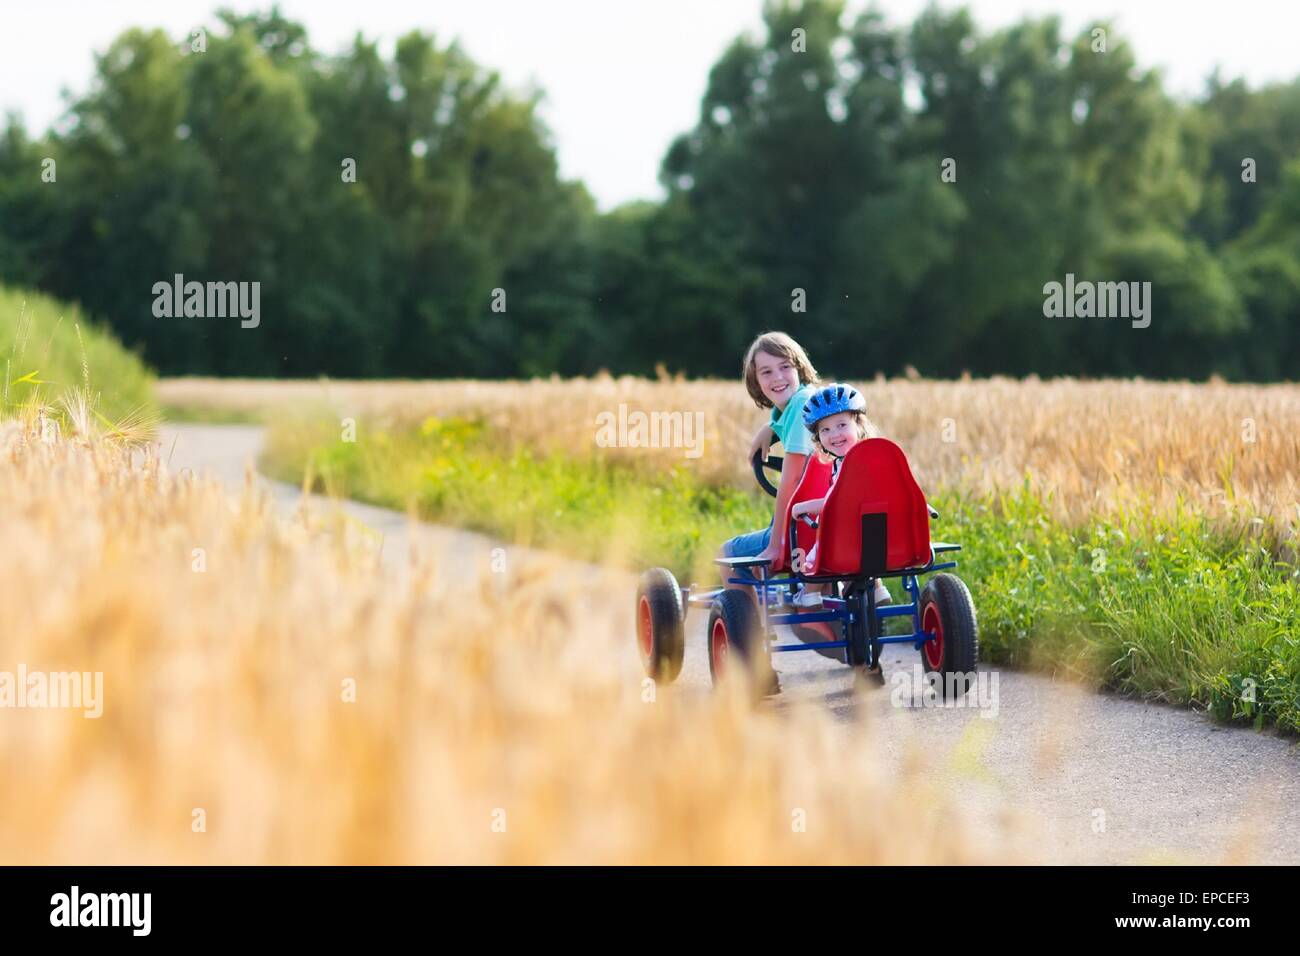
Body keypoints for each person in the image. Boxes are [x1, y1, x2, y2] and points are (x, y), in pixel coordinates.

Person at [718, 331, 820, 580]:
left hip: (804, 527)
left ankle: (746, 619)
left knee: (728, 554)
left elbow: (792, 481)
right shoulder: (814, 400)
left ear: (799, 368)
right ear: (756, 381)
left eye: (785, 367)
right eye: (766, 372)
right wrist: (771, 428)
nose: (777, 377)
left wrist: (777, 544)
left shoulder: (799, 408)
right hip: (830, 520)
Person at [789, 383, 892, 610]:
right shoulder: (878, 458)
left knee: (820, 548)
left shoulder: (850, 464)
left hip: (846, 543)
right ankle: (877, 589)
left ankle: (810, 592)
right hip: (884, 540)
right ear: (818, 437)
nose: (834, 435)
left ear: (859, 424)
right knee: (867, 540)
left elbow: (836, 504)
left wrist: (802, 507)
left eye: (841, 425)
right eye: (824, 430)